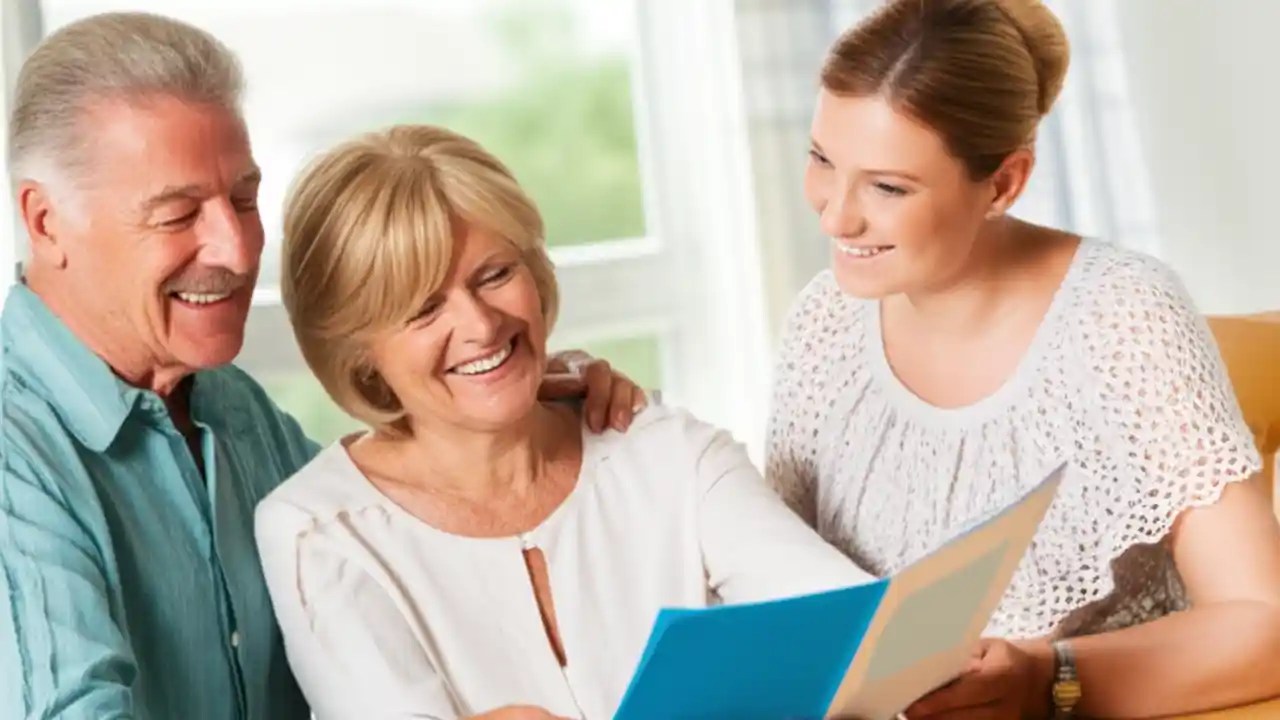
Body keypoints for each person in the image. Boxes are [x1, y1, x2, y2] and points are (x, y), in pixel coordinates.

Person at [0, 13, 639, 720]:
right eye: (178, 215)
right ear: (46, 222)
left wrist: (511, 391)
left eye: (244, 200)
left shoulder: (232, 409)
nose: (238, 250)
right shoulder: (14, 458)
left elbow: (392, 530)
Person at [761, 0, 1280, 717]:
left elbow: (1264, 621)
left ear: (1004, 183)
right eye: (822, 158)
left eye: (888, 186)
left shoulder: (1121, 314)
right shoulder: (824, 321)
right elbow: (775, 591)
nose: (834, 214)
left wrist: (1048, 676)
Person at [253, 124, 875, 720]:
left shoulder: (665, 451)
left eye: (495, 275)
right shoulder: (318, 532)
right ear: (359, 352)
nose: (480, 326)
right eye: (424, 309)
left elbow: (865, 636)